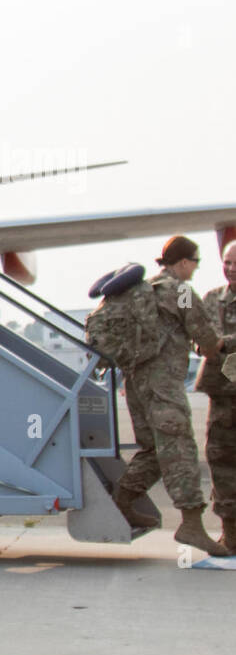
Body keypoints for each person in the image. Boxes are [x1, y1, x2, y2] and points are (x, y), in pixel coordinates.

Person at [112, 236, 228, 555]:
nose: (196, 268)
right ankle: (191, 525)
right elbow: (206, 338)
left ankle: (121, 502)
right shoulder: (182, 293)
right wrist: (219, 347)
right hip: (162, 384)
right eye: (195, 262)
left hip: (136, 382)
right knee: (181, 449)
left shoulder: (144, 289)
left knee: (153, 450)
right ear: (183, 263)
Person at [199, 241, 236, 552]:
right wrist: (203, 344)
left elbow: (219, 342)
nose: (231, 268)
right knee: (221, 465)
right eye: (227, 262)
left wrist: (222, 343)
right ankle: (231, 536)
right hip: (222, 398)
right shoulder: (211, 298)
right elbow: (198, 332)